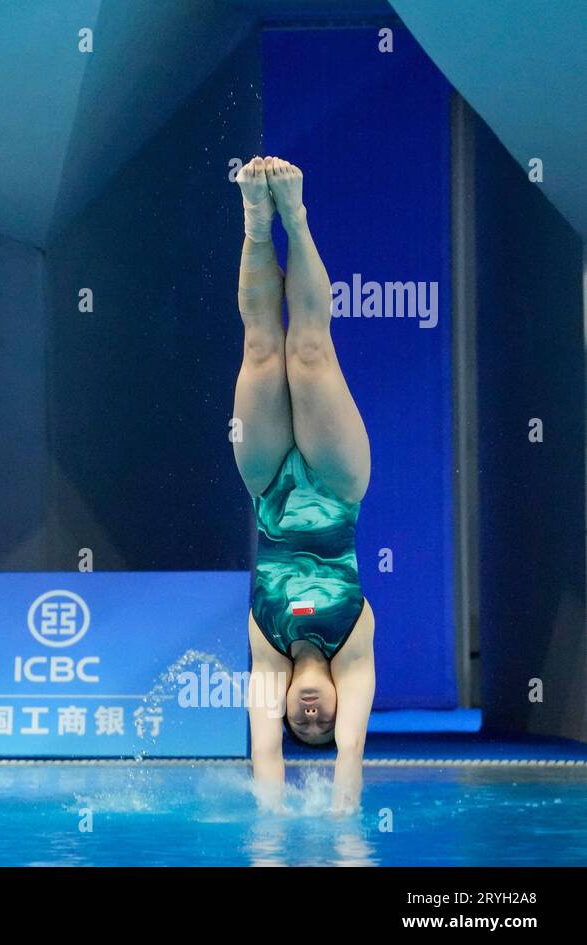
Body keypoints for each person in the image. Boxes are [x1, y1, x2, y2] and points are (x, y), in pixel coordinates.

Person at [232, 156, 375, 814]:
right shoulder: (353, 648)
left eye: (301, 725)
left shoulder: (267, 650)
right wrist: (345, 844)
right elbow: (350, 756)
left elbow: (265, 755)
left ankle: (257, 224)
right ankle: (298, 214)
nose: (313, 718)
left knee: (263, 348)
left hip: (266, 486)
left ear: (285, 707)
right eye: (326, 722)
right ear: (341, 706)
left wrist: (268, 852)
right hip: (339, 483)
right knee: (310, 351)